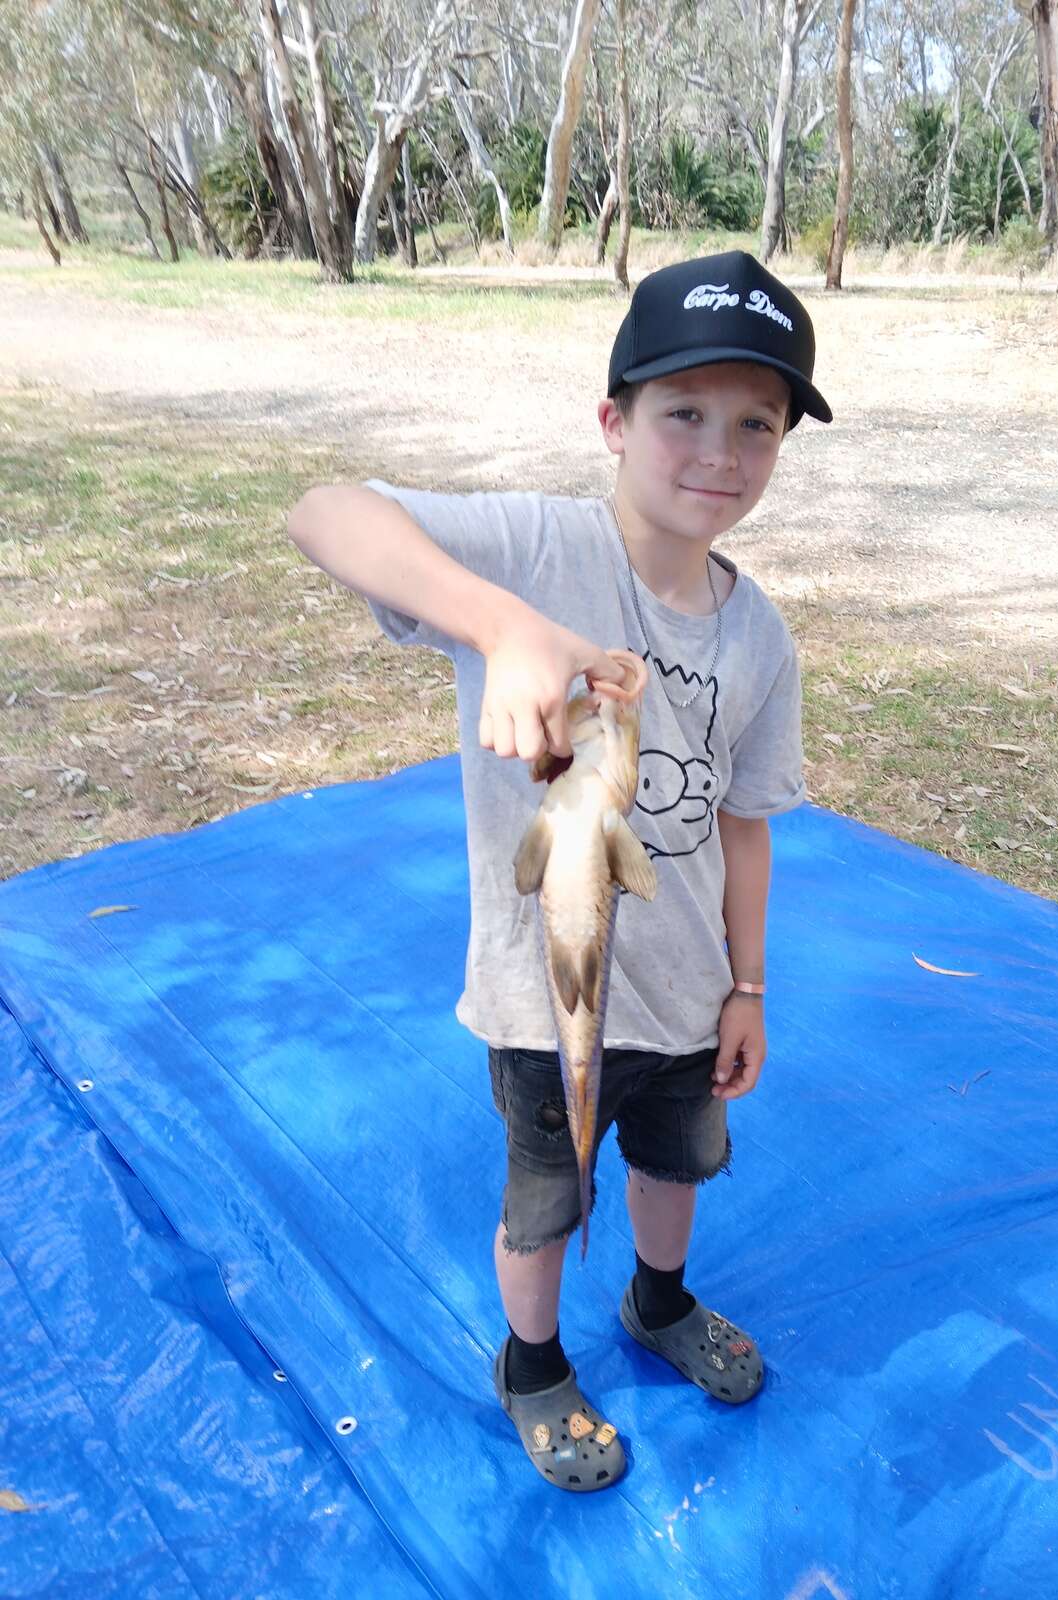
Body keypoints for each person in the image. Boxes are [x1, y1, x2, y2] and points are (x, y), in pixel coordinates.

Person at [287, 250, 832, 1492]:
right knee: (546, 1199)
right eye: (683, 412)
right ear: (614, 421)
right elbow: (324, 511)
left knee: (676, 1165)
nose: (719, 452)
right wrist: (503, 626)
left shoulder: (759, 636)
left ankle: (657, 1297)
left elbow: (746, 823)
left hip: (686, 998)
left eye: (757, 423)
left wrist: (746, 987)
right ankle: (532, 1360)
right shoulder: (535, 550)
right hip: (545, 1009)